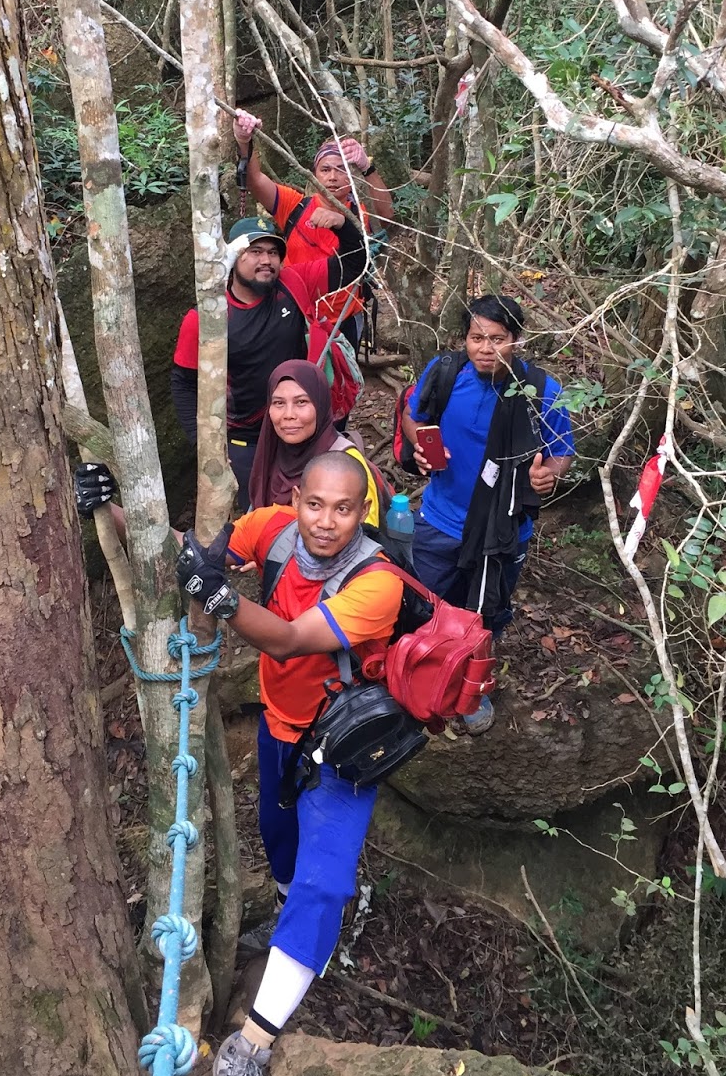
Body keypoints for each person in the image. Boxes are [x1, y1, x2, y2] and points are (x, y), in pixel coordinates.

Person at [173, 452, 403, 1076]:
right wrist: (110, 510)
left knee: (323, 883)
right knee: (277, 842)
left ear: (362, 511)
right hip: (280, 729)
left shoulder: (378, 582)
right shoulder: (273, 530)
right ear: (296, 498)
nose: (325, 522)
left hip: (344, 747)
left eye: (343, 509)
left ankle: (251, 1048)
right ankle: (294, 927)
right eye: (315, 504)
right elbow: (196, 548)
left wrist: (222, 601)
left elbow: (291, 641)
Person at [400, 295, 574, 728]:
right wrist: (420, 444)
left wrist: (546, 477)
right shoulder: (444, 372)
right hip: (440, 517)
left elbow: (562, 452)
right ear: (465, 338)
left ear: (516, 340)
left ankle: (470, 692)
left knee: (485, 614)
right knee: (424, 602)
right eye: (477, 337)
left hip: (503, 528)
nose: (485, 348)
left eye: (498, 339)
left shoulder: (539, 390)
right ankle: (416, 678)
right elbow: (412, 414)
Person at [171, 212, 368, 508]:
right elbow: (183, 383)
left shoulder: (292, 283)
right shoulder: (205, 319)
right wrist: (203, 444)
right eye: (255, 252)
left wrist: (342, 225)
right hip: (245, 439)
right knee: (261, 518)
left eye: (273, 252)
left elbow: (353, 265)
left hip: (304, 426)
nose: (267, 260)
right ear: (233, 258)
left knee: (316, 508)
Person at [231, 111, 392, 345]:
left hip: (345, 316)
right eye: (325, 170)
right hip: (296, 312)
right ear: (315, 175)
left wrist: (367, 167)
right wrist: (244, 141)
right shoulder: (294, 206)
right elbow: (255, 180)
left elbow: (387, 217)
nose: (333, 177)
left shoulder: (360, 214)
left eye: (341, 169)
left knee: (342, 378)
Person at [248, 360, 385, 526]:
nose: (288, 414)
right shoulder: (271, 454)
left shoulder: (348, 463)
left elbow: (364, 536)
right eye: (279, 403)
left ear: (320, 405)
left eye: (301, 402)